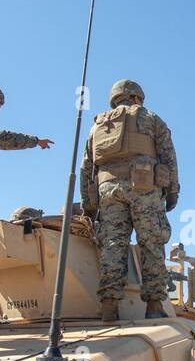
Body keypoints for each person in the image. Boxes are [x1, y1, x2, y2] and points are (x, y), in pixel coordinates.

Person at [77, 79, 179, 320]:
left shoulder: (97, 127)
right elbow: (169, 157)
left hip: (108, 191)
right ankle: (154, 307)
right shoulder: (151, 118)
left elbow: (85, 169)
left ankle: (109, 307)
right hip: (144, 186)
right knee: (151, 244)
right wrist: (172, 192)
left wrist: (88, 206)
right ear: (136, 98)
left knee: (113, 246)